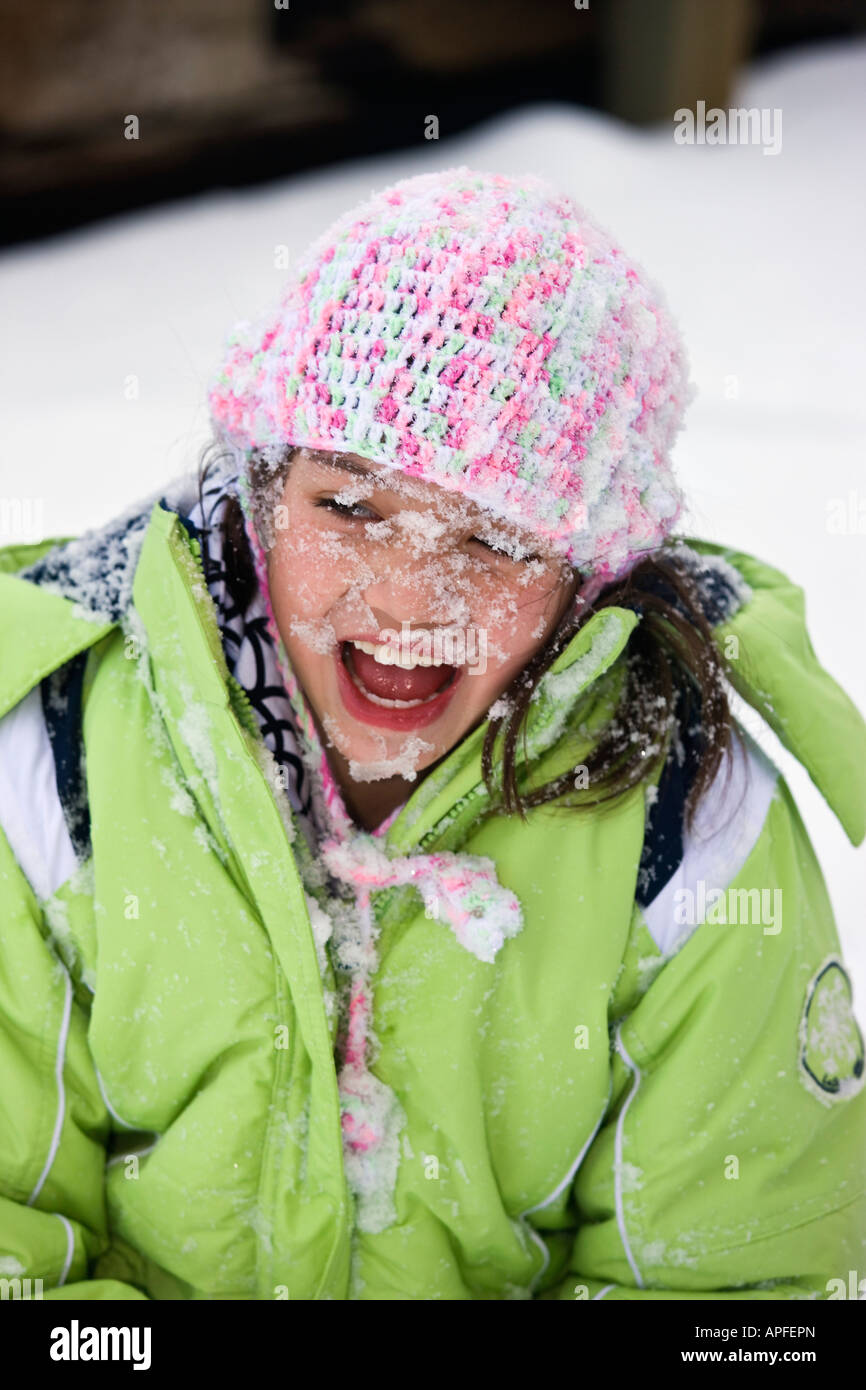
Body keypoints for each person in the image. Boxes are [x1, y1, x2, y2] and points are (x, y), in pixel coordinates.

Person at [1, 166, 864, 1302]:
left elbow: (746, 1293)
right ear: (261, 488)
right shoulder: (55, 759)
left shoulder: (687, 826)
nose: (407, 602)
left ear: (590, 573)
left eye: (494, 537)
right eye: (348, 508)